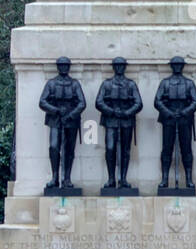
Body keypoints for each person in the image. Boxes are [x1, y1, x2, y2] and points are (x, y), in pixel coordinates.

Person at [95, 57, 142, 189]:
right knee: (110, 149)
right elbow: (99, 102)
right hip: (111, 121)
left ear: (125, 67)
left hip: (126, 121)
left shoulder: (131, 84)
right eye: (117, 65)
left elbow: (138, 103)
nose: (119, 68)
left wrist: (127, 112)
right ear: (113, 67)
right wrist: (111, 111)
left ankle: (123, 179)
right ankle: (111, 179)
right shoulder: (107, 84)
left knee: (125, 151)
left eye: (122, 65)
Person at [39, 57, 85, 189]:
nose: (64, 68)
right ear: (58, 67)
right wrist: (56, 110)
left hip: (71, 121)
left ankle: (67, 178)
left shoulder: (75, 84)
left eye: (66, 65)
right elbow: (42, 102)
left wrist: (71, 115)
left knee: (69, 150)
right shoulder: (51, 83)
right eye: (61, 65)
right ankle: (55, 178)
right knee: (54, 147)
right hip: (55, 120)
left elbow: (82, 103)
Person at [154, 56, 196, 189]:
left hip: (185, 119)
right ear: (171, 66)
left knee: (186, 150)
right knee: (167, 149)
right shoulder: (165, 82)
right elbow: (158, 101)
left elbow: (195, 101)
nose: (177, 67)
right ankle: (165, 179)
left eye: (180, 65)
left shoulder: (189, 83)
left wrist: (185, 112)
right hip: (169, 119)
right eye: (175, 64)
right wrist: (169, 113)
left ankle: (189, 179)